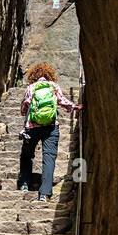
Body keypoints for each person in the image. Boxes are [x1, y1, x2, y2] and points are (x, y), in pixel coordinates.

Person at [17, 63, 81, 201]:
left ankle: (24, 184)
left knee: (26, 155)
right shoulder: (53, 87)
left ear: (34, 76)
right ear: (49, 75)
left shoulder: (31, 88)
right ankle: (44, 193)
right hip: (51, 127)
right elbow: (63, 101)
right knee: (49, 158)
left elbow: (24, 108)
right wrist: (75, 107)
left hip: (32, 128)